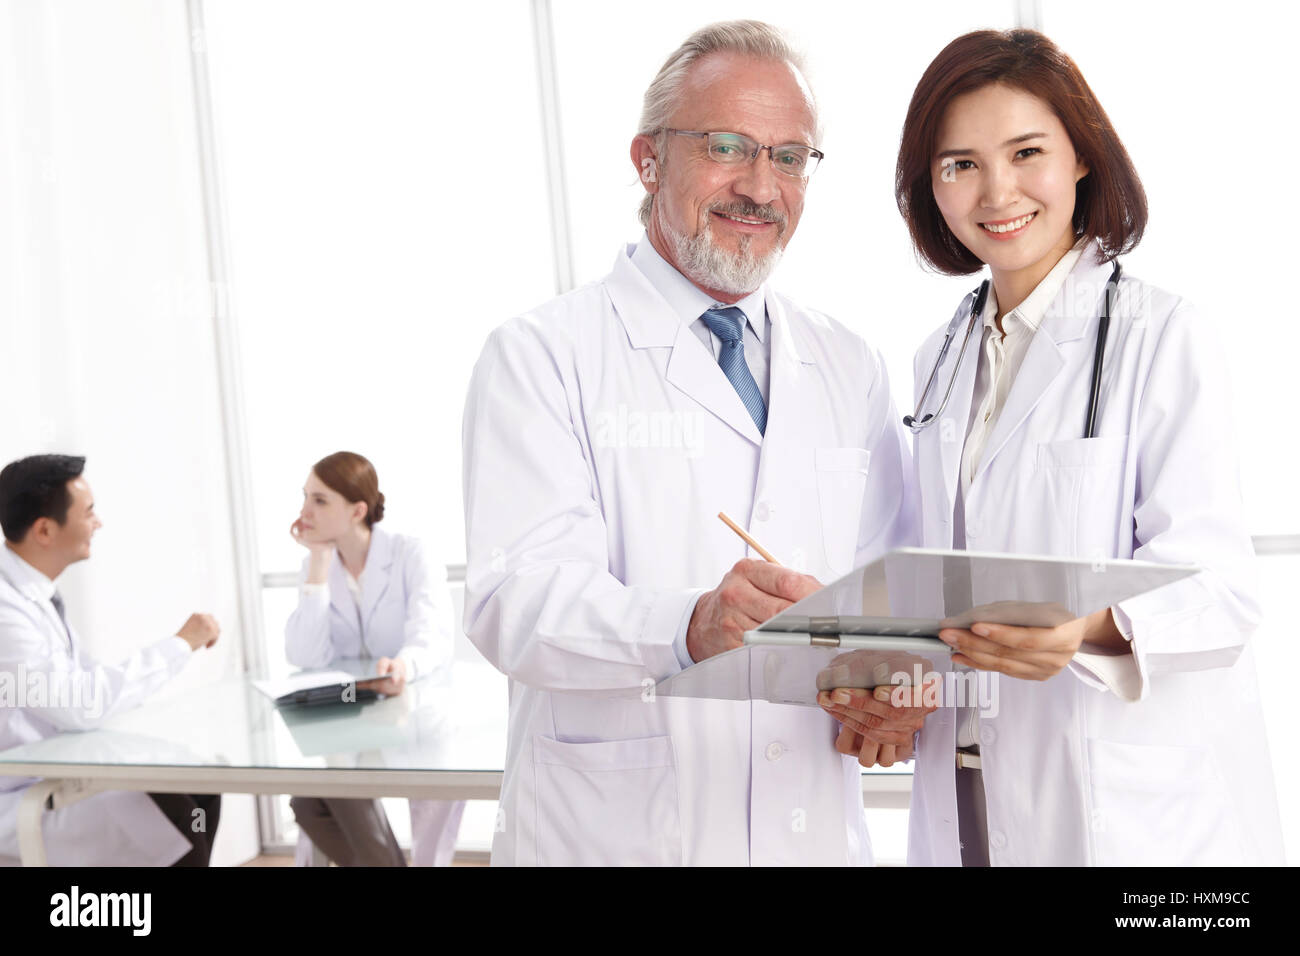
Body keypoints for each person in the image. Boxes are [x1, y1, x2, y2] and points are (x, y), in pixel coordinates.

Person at [462, 20, 924, 866]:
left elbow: (889, 591)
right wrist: (691, 624)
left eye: (790, 157)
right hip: (617, 833)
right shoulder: (542, 355)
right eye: (727, 146)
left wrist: (894, 683)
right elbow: (512, 605)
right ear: (647, 160)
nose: (761, 185)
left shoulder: (849, 364)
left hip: (810, 830)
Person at [829, 28, 1283, 865]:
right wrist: (890, 675)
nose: (996, 192)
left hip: (1119, 810)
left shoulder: (1162, 334)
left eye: (1026, 152)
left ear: (1081, 157)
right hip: (966, 787)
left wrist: (1085, 630)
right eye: (959, 164)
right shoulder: (939, 358)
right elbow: (929, 577)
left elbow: (1220, 589)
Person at [0, 454, 222, 866]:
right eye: (88, 512)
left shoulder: (36, 595)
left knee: (201, 791)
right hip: (22, 793)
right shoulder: (6, 608)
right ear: (45, 530)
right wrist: (180, 644)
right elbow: (80, 703)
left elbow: (84, 682)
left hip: (59, 771)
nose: (97, 523)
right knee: (177, 813)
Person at [285, 450, 463, 866]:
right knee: (311, 803)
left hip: (416, 712)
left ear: (357, 510)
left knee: (431, 807)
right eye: (305, 497)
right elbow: (305, 655)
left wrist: (403, 666)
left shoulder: (410, 554)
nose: (304, 511)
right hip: (347, 719)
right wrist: (318, 561)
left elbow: (432, 636)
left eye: (320, 500)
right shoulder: (318, 567)